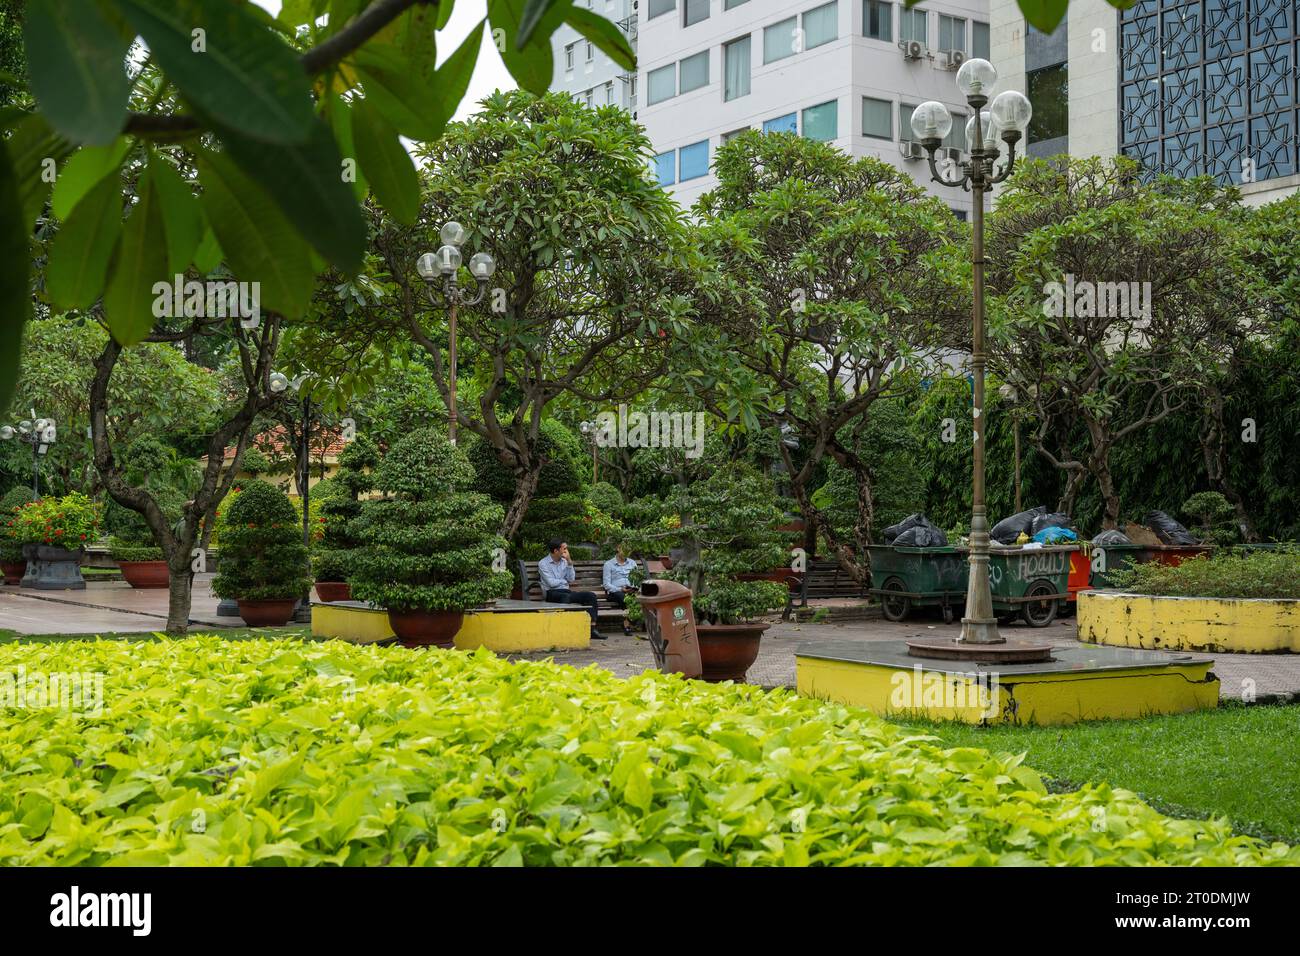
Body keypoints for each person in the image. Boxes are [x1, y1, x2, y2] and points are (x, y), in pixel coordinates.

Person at [538, 539, 605, 640]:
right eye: (564, 549)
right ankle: (565, 629)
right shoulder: (543, 563)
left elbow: (571, 579)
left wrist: (570, 562)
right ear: (556, 551)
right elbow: (551, 583)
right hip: (551, 593)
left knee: (590, 596)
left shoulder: (565, 562)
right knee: (566, 597)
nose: (566, 551)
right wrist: (564, 582)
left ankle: (592, 629)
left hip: (566, 592)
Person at [602, 544, 637, 635]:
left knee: (636, 597)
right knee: (625, 598)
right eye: (624, 550)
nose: (626, 553)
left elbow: (637, 579)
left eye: (628, 551)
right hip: (615, 592)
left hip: (630, 591)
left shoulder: (632, 563)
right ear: (618, 548)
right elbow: (606, 584)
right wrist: (620, 589)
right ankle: (630, 622)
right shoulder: (608, 564)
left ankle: (627, 624)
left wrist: (633, 587)